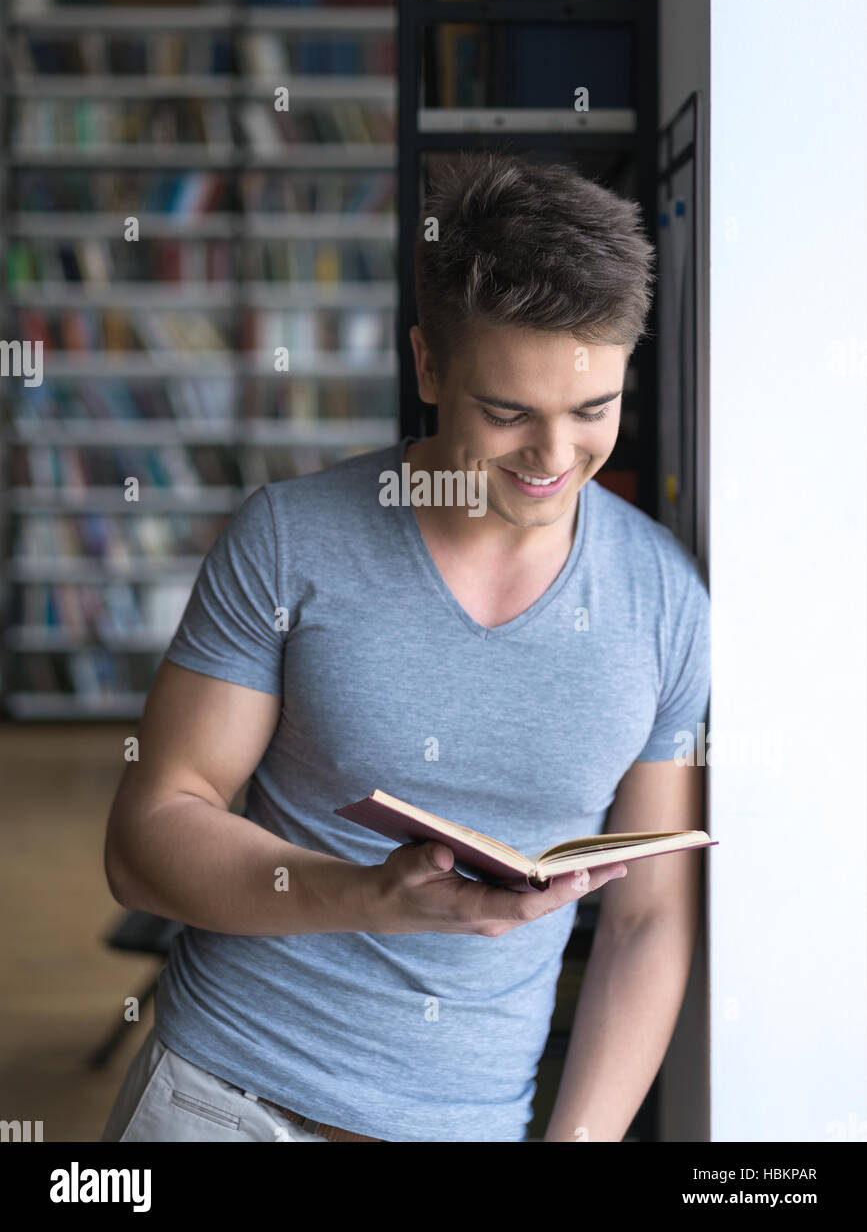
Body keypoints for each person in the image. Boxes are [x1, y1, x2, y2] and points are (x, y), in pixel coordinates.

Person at [101, 152, 709, 1143]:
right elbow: (146, 837)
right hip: (226, 1095)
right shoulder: (292, 540)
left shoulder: (667, 604)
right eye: (508, 413)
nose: (553, 459)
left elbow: (647, 919)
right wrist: (372, 897)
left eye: (591, 412)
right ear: (429, 365)